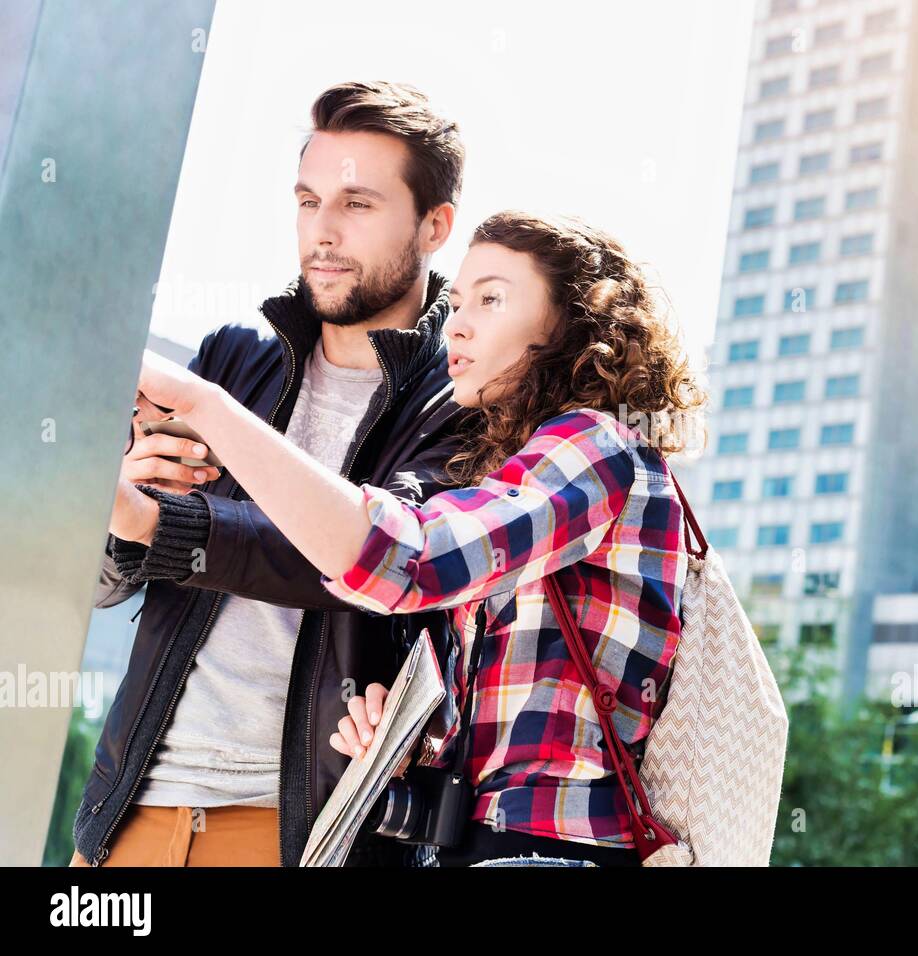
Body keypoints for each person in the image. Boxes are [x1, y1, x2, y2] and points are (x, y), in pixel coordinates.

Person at [132, 210, 706, 866]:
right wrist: (416, 736)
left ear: (573, 327)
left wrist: (206, 406)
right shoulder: (521, 481)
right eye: (457, 301)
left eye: (492, 298)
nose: (457, 322)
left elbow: (411, 560)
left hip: (550, 849)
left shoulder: (597, 448)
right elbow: (531, 710)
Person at [72, 81, 470, 867]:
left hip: (297, 834)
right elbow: (102, 583)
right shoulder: (232, 362)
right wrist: (116, 520)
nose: (322, 231)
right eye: (307, 199)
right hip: (126, 819)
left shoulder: (458, 406)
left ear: (435, 224)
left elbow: (358, 561)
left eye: (357, 204)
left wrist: (158, 522)